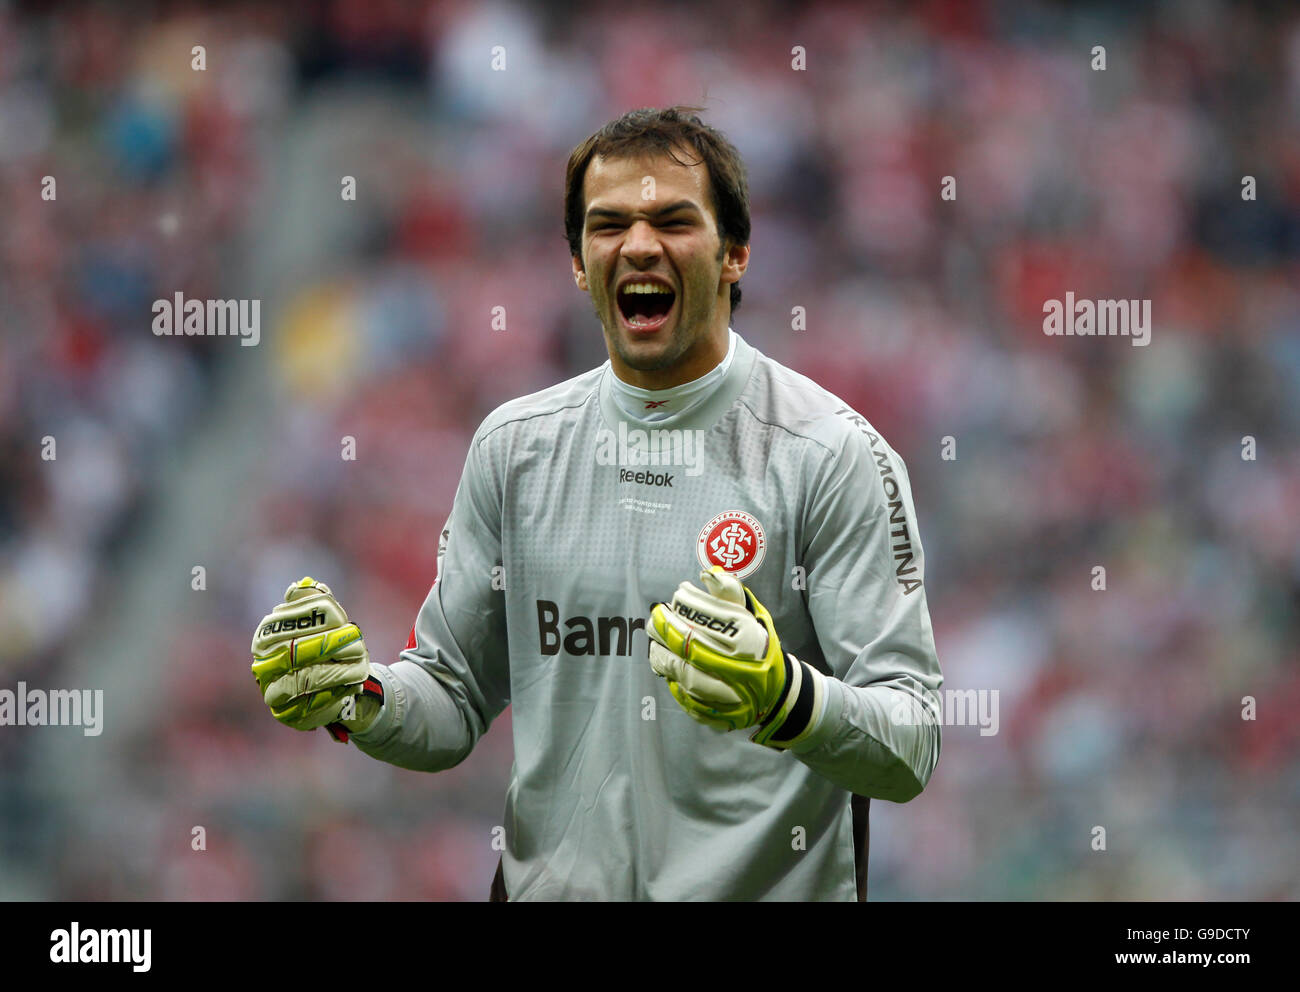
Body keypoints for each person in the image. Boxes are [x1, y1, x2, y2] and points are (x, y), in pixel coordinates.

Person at [251, 106, 943, 901]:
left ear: (736, 255)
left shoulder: (832, 454)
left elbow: (911, 742)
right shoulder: (514, 447)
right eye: (608, 224)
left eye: (674, 221)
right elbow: (450, 697)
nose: (639, 245)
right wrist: (355, 696)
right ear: (580, 263)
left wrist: (785, 696)